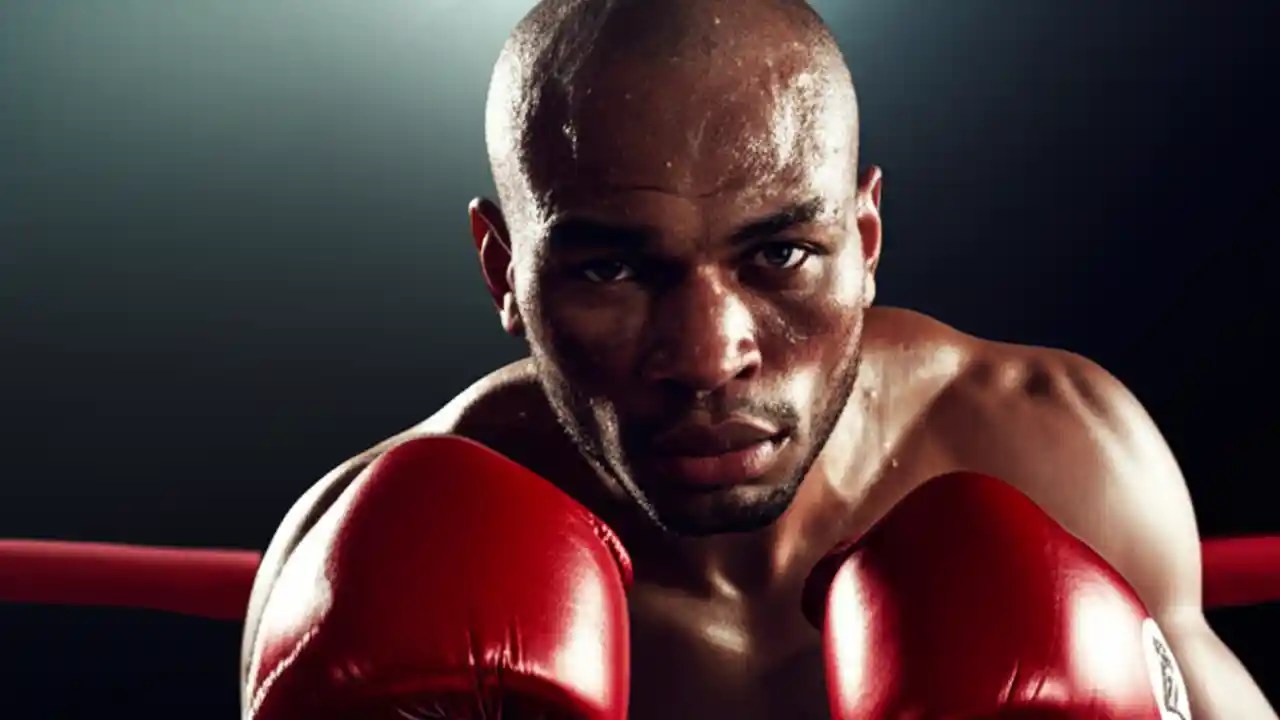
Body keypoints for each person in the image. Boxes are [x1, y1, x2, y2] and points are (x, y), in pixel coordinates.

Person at [240, 0, 1275, 717]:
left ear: (862, 242)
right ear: (503, 270)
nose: (706, 356)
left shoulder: (1056, 454)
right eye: (610, 271)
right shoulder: (359, 558)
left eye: (778, 254)